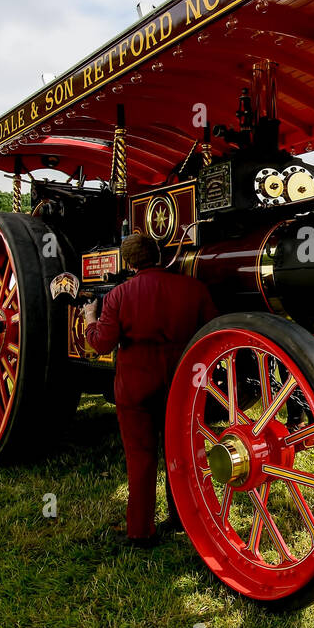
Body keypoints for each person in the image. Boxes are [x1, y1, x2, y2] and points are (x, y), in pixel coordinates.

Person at [83, 232, 216, 549]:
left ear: (128, 262)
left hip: (136, 385)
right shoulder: (194, 289)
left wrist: (90, 319)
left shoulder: (120, 294)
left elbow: (101, 342)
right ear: (157, 255)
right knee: (180, 454)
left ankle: (141, 531)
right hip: (182, 382)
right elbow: (213, 330)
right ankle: (182, 517)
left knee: (141, 458)